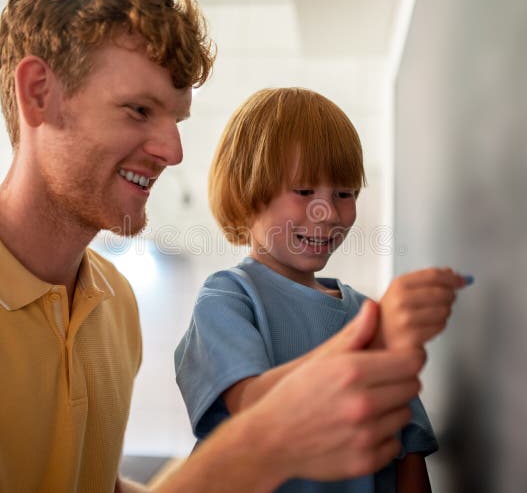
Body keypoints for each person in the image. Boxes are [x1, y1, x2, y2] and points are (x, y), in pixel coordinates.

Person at [0, 0, 429, 493]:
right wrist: (265, 443)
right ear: (39, 94)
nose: (173, 150)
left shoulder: (114, 303)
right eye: (138, 110)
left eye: (175, 118)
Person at [175, 88, 469, 492]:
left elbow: (409, 450)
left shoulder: (368, 312)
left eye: (344, 194)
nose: (327, 213)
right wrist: (367, 337)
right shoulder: (229, 298)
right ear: (247, 190)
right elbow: (254, 411)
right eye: (304, 191)